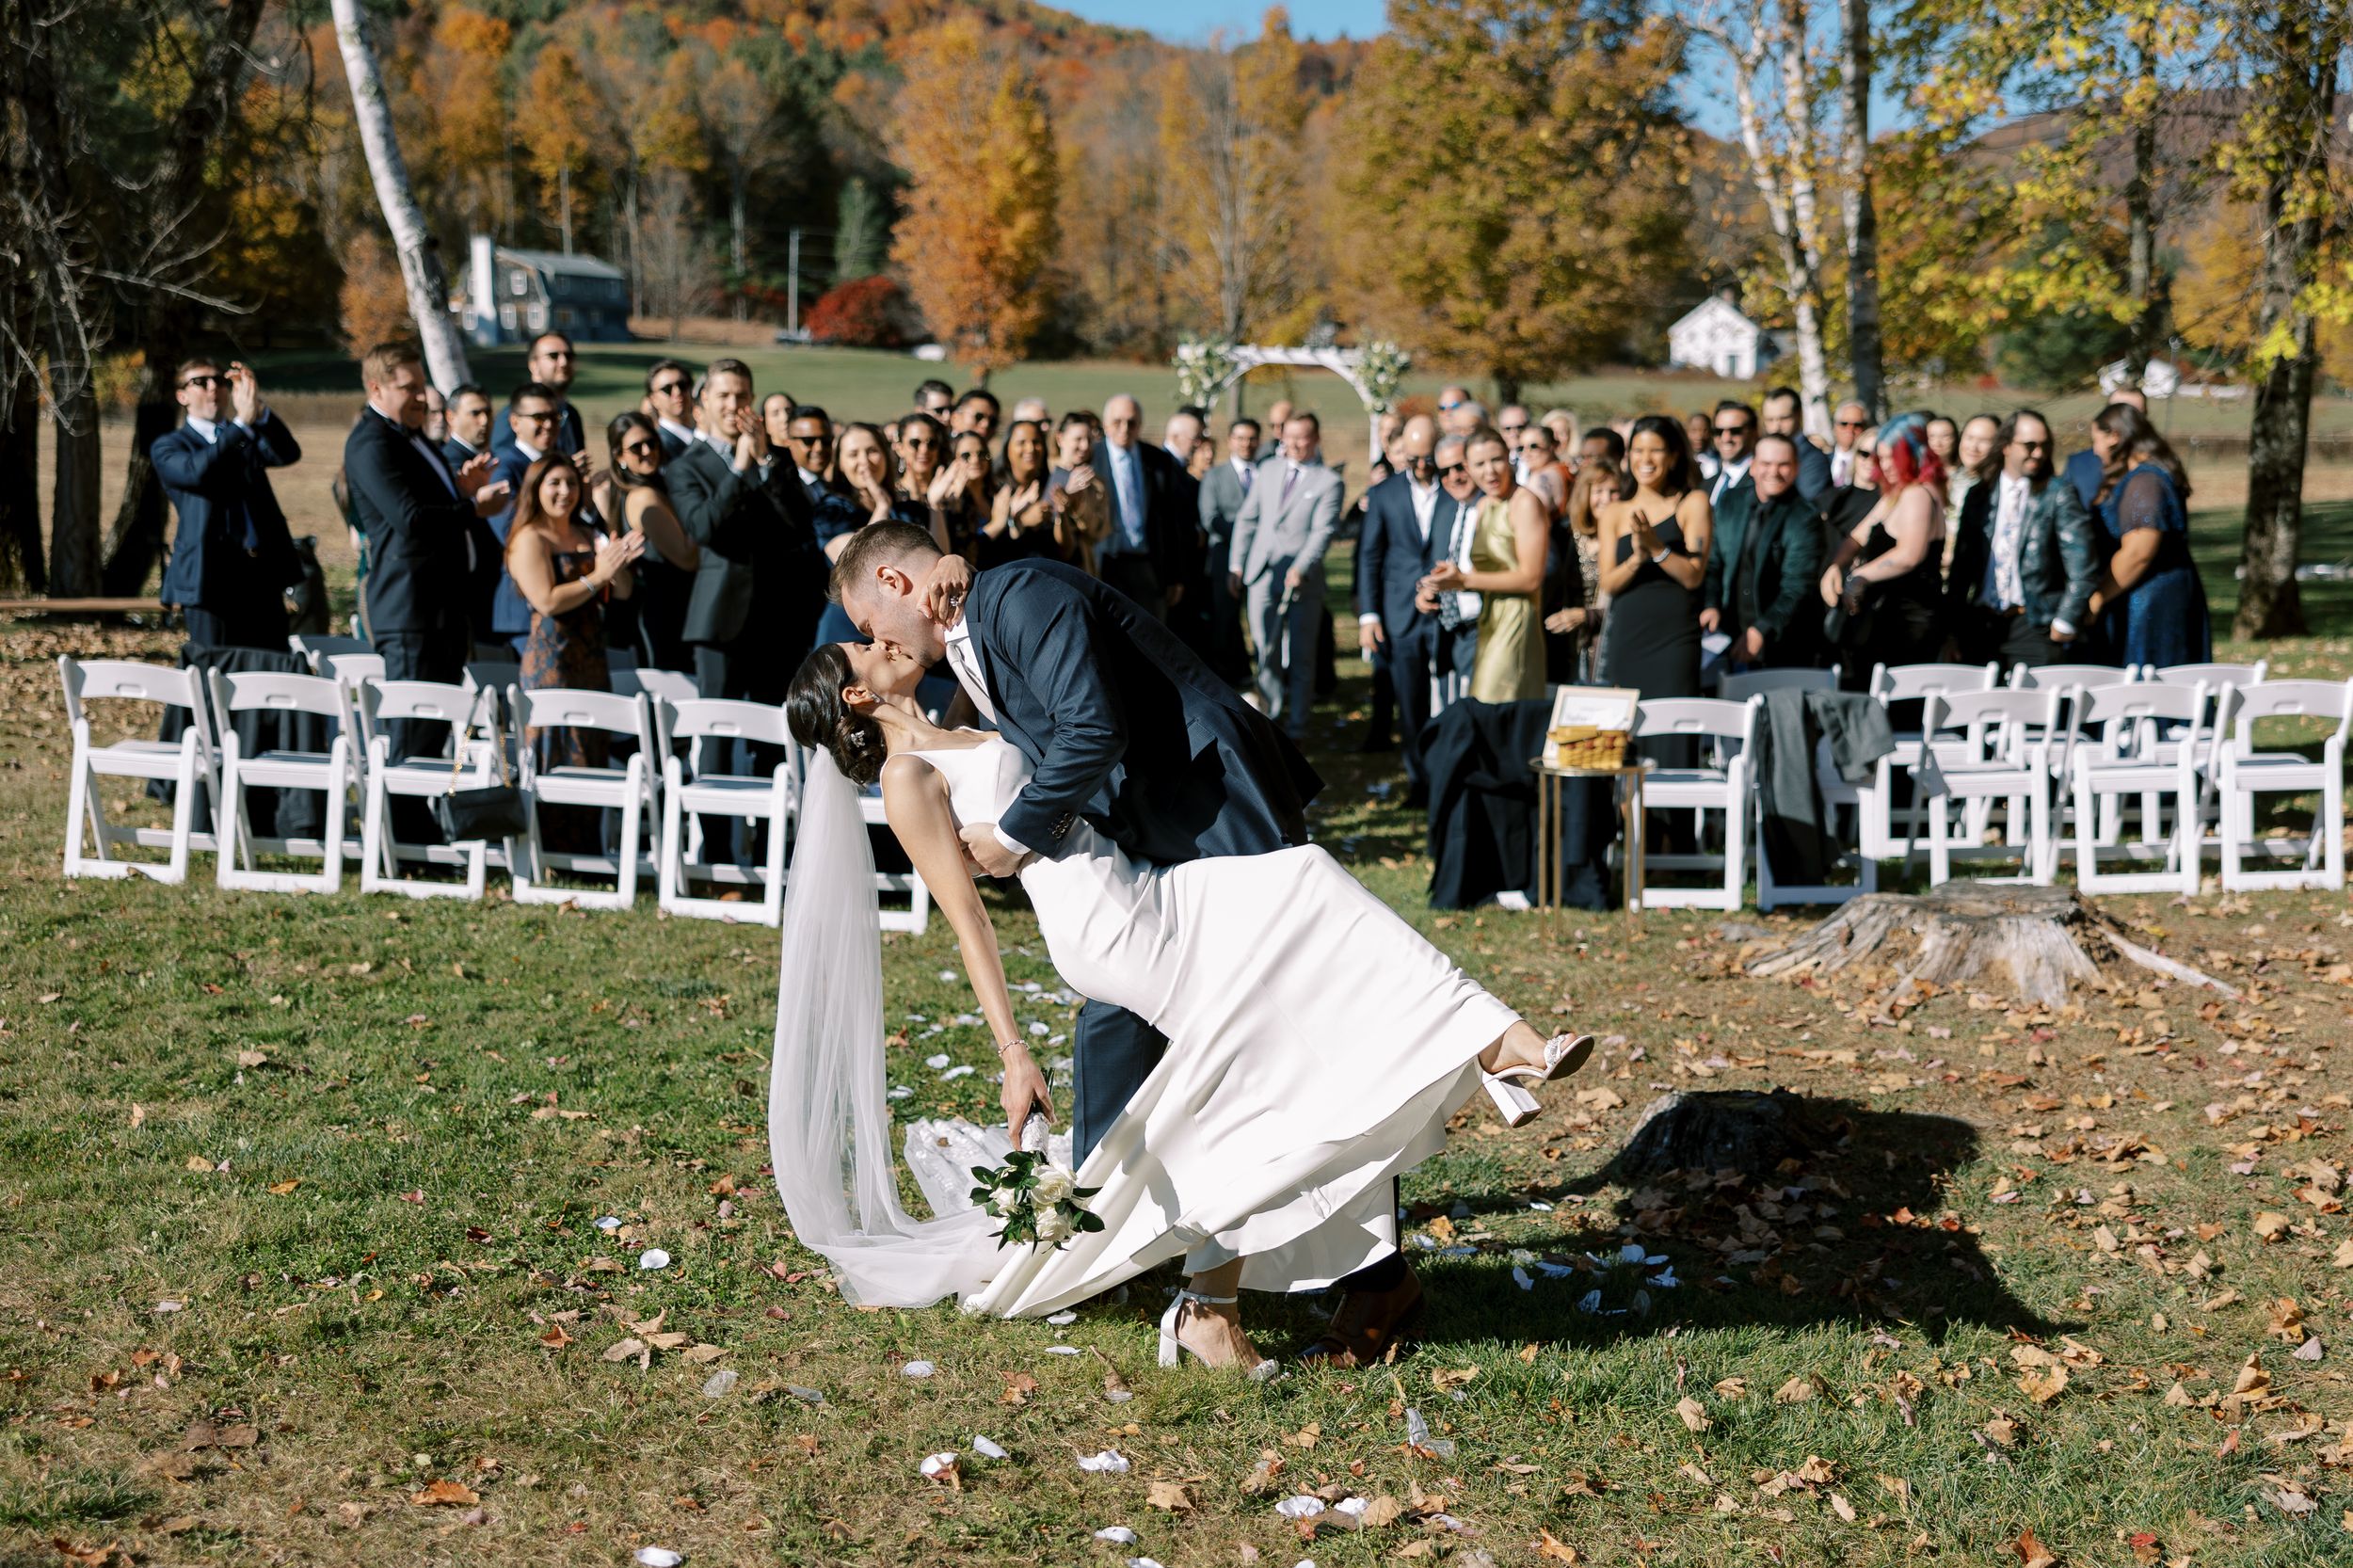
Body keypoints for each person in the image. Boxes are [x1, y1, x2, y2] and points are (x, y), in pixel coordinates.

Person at [803, 523, 1591, 1355]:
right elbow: (981, 891)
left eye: (869, 623)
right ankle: (1214, 1272)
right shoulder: (925, 735)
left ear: (895, 578)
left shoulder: (993, 616)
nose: (874, 640)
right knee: (1255, 1054)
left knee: (1290, 975)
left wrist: (973, 574)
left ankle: (1473, 1068)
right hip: (1125, 891)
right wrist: (1010, 1044)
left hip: (1190, 818)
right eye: (864, 645)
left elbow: (1068, 711)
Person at [343, 342, 510, 804]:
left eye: (422, 387)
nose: (421, 397)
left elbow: (428, 501)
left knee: (435, 732)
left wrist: (459, 488)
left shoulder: (412, 438)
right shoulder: (371, 443)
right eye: (409, 388)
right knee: (411, 734)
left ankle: (428, 834)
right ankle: (401, 841)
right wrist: (473, 508)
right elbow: (410, 519)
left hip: (443, 607)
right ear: (377, 388)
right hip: (409, 609)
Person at [665, 358, 825, 712]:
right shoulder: (684, 467)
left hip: (776, 617)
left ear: (751, 398)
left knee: (777, 731)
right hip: (719, 617)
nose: (732, 405)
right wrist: (738, 468)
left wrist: (763, 458)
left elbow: (800, 522)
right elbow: (703, 527)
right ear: (704, 398)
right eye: (723, 395)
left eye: (740, 396)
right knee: (717, 729)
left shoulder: (776, 460)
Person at [509, 455, 642, 849]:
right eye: (554, 483)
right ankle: (547, 849)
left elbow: (622, 592)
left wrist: (617, 565)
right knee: (552, 749)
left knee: (589, 746)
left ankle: (585, 849)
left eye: (570, 483)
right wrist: (596, 575)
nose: (564, 492)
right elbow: (546, 600)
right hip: (551, 659)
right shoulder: (529, 538)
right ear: (536, 489)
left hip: (591, 654)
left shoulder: (587, 533)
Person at [154, 358, 304, 649]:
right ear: (182, 396)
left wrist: (257, 410)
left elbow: (287, 453)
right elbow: (197, 471)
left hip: (261, 575)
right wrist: (241, 425)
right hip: (210, 580)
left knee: (273, 671)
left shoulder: (245, 436)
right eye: (201, 382)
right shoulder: (170, 446)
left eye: (220, 381)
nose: (214, 387)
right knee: (218, 672)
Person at [1944, 409, 2099, 673]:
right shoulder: (1979, 495)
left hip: (2034, 622)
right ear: (2005, 446)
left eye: (2044, 445)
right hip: (1982, 623)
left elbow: (2083, 566)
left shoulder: (2058, 493)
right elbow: (1961, 570)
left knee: (2035, 711)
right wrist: (1951, 630)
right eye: (2029, 445)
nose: (2038, 453)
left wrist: (2065, 620)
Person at [1231, 412, 1344, 739]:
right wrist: (1237, 563)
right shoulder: (1268, 469)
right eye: (1288, 437)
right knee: (1265, 649)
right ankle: (1271, 717)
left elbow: (1323, 532)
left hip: (1301, 580)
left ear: (1316, 439)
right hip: (1261, 572)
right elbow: (1248, 519)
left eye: (1302, 437)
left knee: (1301, 654)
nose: (1293, 444)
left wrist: (1302, 566)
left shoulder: (1328, 482)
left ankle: (1297, 724)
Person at [1356, 415, 1449, 805]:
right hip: (1398, 612)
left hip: (1448, 609)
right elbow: (1369, 557)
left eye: (1429, 457)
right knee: (1409, 701)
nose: (1423, 466)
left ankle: (1448, 774)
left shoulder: (1457, 488)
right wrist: (1369, 615)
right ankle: (1419, 782)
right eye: (1414, 459)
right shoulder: (1384, 495)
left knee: (1447, 696)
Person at [1420, 426, 1549, 703]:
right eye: (1480, 464)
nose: (1489, 472)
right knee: (1484, 707)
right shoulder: (1484, 506)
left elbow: (1531, 578)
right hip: (1488, 619)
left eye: (1497, 460)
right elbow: (1479, 572)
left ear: (1509, 460)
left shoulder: (1525, 503)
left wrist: (1463, 580)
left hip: (1516, 619)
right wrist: (1439, 582)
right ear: (1469, 467)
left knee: (1502, 705)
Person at [1820, 411, 1949, 685]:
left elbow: (1908, 555)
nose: (1885, 465)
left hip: (1907, 623)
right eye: (1882, 457)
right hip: (1885, 619)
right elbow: (1858, 535)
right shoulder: (1899, 492)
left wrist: (1858, 576)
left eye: (1892, 457)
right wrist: (1837, 565)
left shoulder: (1919, 494)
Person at [1597, 414, 1711, 711]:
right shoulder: (1614, 512)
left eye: (1656, 450)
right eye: (1637, 450)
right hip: (1627, 636)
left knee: (1670, 736)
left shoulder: (1692, 503)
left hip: (1673, 641)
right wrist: (1637, 558)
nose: (1645, 459)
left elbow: (1693, 576)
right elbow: (1608, 583)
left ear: (1673, 456)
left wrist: (1657, 548)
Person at [2086, 403, 2209, 667]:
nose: (2095, 450)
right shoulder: (2148, 474)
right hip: (2153, 592)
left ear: (2114, 437)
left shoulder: (2146, 481)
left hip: (2151, 601)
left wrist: (2098, 597)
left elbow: (2138, 552)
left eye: (2097, 440)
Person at [1701, 434, 1824, 672]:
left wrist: (1762, 629)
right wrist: (1710, 604)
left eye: (1783, 465)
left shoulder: (1805, 516)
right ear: (1753, 467)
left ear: (1796, 468)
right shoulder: (1729, 502)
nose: (1774, 472)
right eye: (1766, 464)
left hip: (1782, 643)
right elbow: (1714, 562)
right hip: (1726, 634)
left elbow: (1798, 586)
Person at [812, 423, 940, 644]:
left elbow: (938, 557)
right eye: (853, 454)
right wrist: (881, 506)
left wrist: (936, 507)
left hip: (907, 630)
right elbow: (855, 566)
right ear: (840, 464)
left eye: (872, 451)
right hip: (850, 633)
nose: (864, 461)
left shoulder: (908, 511)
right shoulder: (832, 510)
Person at [600, 411, 697, 671]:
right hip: (666, 613)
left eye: (652, 442)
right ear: (619, 456)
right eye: (636, 447)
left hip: (669, 609)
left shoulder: (640, 489)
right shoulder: (644, 499)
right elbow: (686, 558)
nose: (647, 451)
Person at [1093, 394, 1193, 621]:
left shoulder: (1157, 460)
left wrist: (1175, 575)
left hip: (1147, 563)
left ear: (1140, 425)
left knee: (1150, 633)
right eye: (1117, 422)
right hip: (1105, 561)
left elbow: (1170, 520)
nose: (1124, 428)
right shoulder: (1092, 457)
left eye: (1132, 422)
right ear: (1106, 423)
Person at [1194, 417, 1261, 685]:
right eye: (1240, 438)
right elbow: (1210, 517)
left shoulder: (1266, 473)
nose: (1246, 444)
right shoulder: (1214, 476)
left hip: (1261, 557)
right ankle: (1227, 675)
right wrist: (1244, 538)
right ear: (1231, 440)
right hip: (1224, 554)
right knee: (1225, 617)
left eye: (1251, 438)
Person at [1547, 457, 1620, 682]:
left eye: (1614, 491)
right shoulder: (1570, 536)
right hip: (1572, 647)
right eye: (1598, 491)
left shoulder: (1627, 539)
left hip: (1610, 645)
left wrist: (1586, 616)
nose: (1606, 499)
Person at [1046, 413, 1111, 574]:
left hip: (1084, 565)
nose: (1085, 446)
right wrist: (1066, 496)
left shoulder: (1095, 483)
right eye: (1078, 439)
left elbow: (1099, 530)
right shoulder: (1044, 473)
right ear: (1060, 439)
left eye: (1089, 440)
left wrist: (1078, 502)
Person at [2065, 387, 2148, 508]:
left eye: (2134, 414)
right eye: (2117, 412)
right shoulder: (2078, 466)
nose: (2125, 422)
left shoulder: (2159, 467)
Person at [1761, 386, 1833, 502]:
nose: (1776, 427)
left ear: (1799, 415)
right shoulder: (1760, 454)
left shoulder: (1813, 459)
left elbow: (1809, 505)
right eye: (1770, 420)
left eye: (1784, 418)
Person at [934, 429, 995, 560]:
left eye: (982, 454)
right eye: (966, 455)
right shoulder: (949, 499)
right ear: (954, 460)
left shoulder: (996, 493)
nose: (975, 460)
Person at [522, 331, 585, 455]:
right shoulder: (518, 413)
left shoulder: (571, 414)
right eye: (553, 356)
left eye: (569, 356)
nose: (564, 362)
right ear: (533, 365)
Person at [646, 360, 698, 459]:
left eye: (682, 385)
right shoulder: (659, 446)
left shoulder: (703, 434)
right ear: (653, 399)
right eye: (667, 389)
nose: (677, 392)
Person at [1708, 401, 1756, 506]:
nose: (1726, 438)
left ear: (1754, 432)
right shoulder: (1705, 486)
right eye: (1718, 431)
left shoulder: (1762, 483)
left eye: (1735, 431)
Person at [1952, 413, 2000, 514]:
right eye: (1969, 438)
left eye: (1984, 441)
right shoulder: (1951, 480)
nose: (1973, 447)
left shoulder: (2000, 491)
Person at [441, 384, 494, 468]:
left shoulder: (492, 456)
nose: (485, 421)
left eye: (488, 412)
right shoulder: (447, 463)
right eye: (475, 413)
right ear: (451, 417)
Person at [1829, 400, 1871, 488]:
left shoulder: (1870, 463)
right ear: (1835, 426)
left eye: (1857, 425)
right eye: (1844, 424)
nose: (1850, 430)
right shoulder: (1821, 459)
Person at [1686, 410, 1720, 481]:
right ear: (1687, 433)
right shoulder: (1681, 460)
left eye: (1705, 430)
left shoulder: (1720, 459)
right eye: (1694, 431)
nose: (1699, 437)